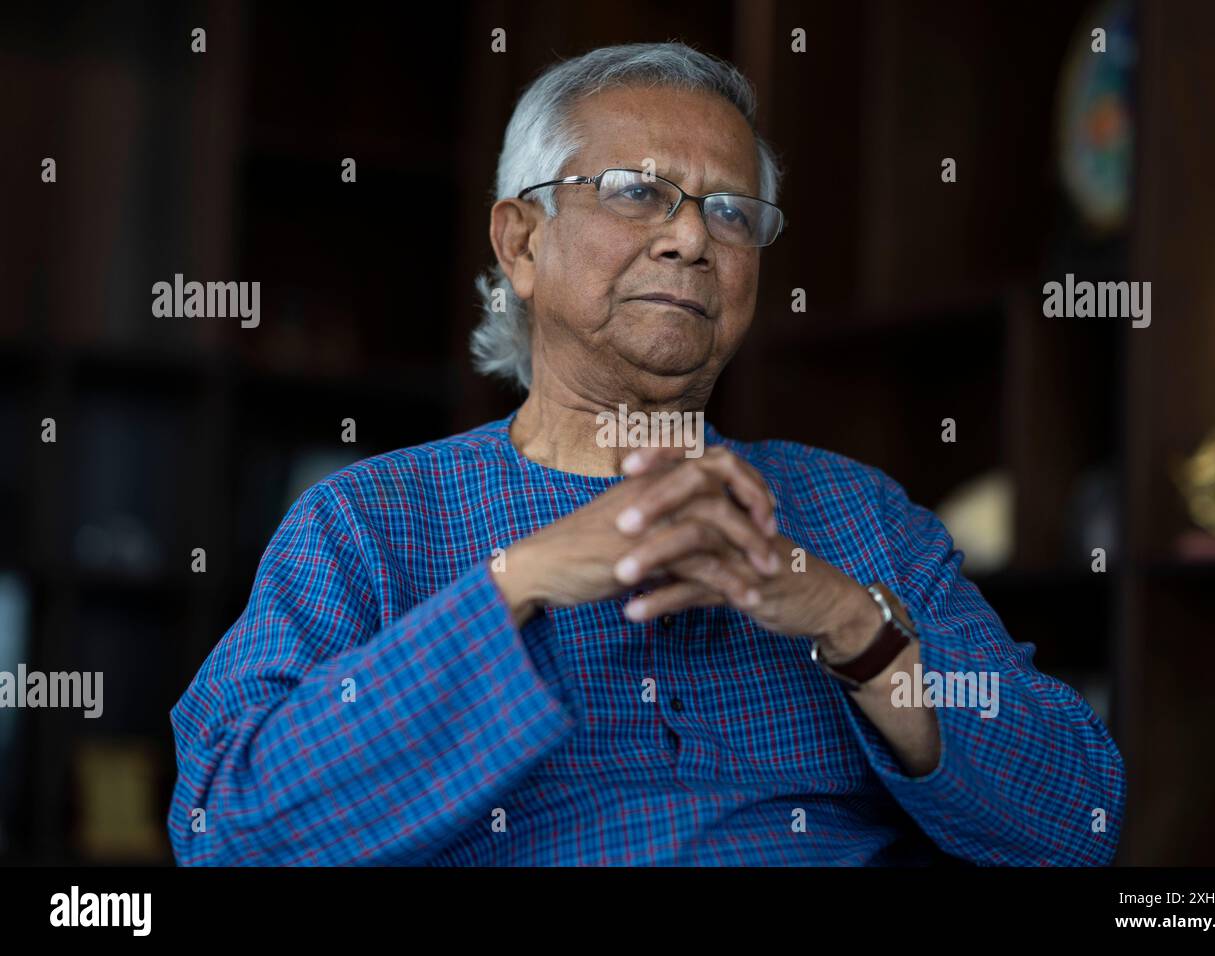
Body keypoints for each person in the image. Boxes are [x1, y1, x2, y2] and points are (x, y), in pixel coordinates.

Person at [168, 41, 1125, 866]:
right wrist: (525, 580)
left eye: (732, 214)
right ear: (521, 242)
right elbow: (227, 830)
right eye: (637, 192)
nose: (690, 238)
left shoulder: (857, 516)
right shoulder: (372, 524)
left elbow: (1077, 821)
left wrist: (848, 622)